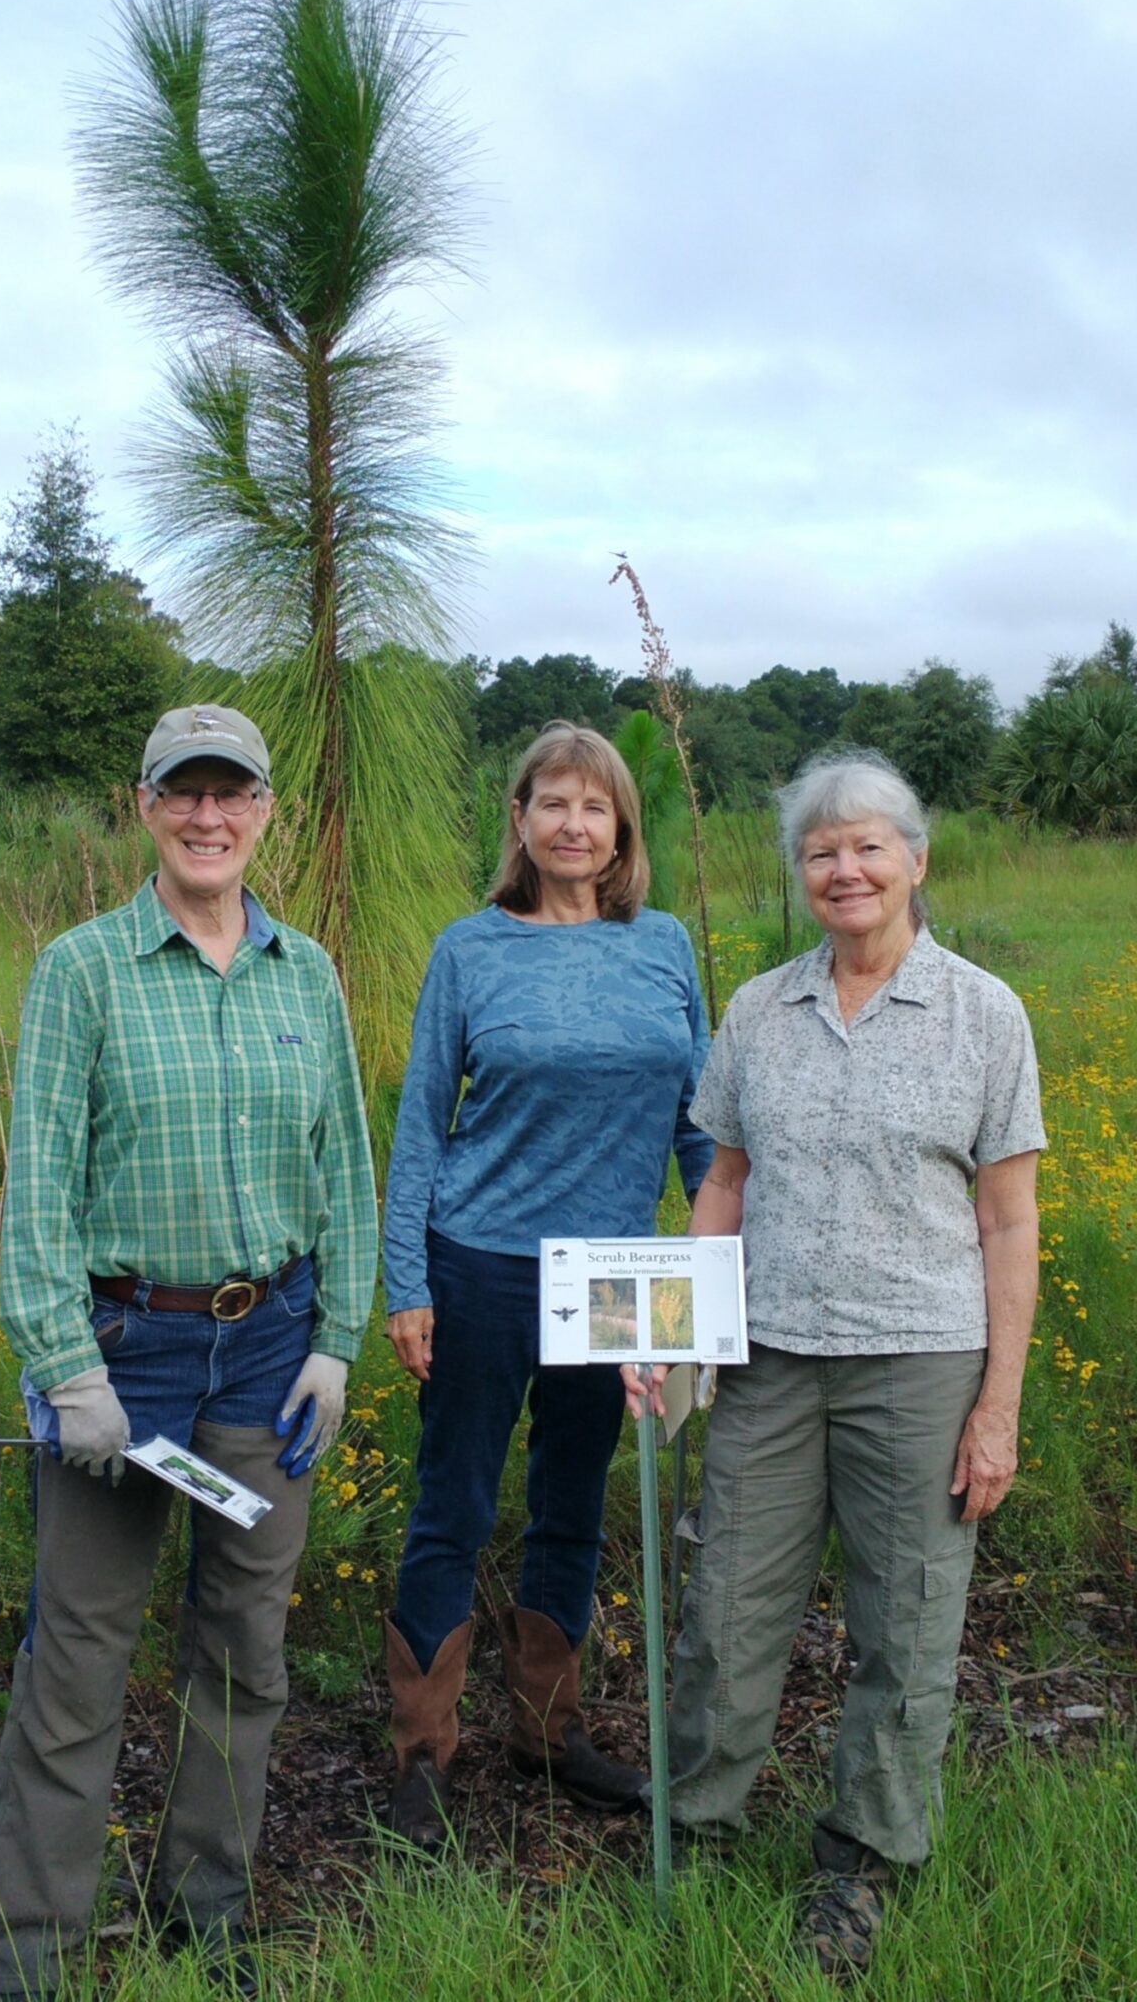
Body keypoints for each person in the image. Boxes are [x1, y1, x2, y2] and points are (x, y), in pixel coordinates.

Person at [0, 705, 378, 2002]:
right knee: (79, 1663)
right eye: (182, 793)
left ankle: (202, 1915)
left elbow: (347, 1170)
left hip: (268, 1359)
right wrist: (64, 1366)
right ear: (141, 805)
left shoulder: (304, 974)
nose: (209, 818)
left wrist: (337, 1342)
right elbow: (37, 1187)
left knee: (243, 1650)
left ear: (269, 813)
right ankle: (35, 1950)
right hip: (124, 1353)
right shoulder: (81, 970)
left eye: (234, 794)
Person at [626, 749, 1045, 1982]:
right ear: (799, 874)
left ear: (916, 859)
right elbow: (723, 1181)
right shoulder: (761, 1009)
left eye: (868, 846)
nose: (844, 868)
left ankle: (860, 1861)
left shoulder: (983, 1013)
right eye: (820, 851)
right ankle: (692, 1830)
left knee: (906, 1622)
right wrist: (671, 1337)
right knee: (725, 1611)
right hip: (765, 1359)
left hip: (919, 1365)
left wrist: (997, 1408)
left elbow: (1008, 1220)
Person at [379, 721, 715, 1847]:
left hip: (621, 1272)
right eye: (552, 804)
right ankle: (423, 1751)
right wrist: (406, 1278)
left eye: (597, 807)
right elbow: (422, 1119)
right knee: (456, 1504)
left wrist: (708, 1280)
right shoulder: (469, 950)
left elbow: (700, 1124)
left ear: (622, 829)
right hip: (480, 1262)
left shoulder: (663, 944)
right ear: (519, 820)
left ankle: (547, 1731)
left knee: (574, 1503)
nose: (574, 825)